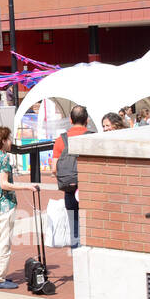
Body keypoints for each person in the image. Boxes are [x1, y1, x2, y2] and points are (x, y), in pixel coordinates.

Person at [0, 126, 32, 290]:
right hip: (5, 204)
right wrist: (26, 188)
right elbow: (4, 184)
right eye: (8, 139)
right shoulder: (3, 158)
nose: (10, 142)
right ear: (3, 141)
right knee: (4, 242)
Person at [53, 106, 89, 248]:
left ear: (70, 120)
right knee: (91, 226)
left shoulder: (61, 139)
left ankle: (77, 261)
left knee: (74, 228)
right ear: (86, 120)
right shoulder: (92, 136)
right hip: (88, 188)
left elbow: (54, 168)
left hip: (70, 188)